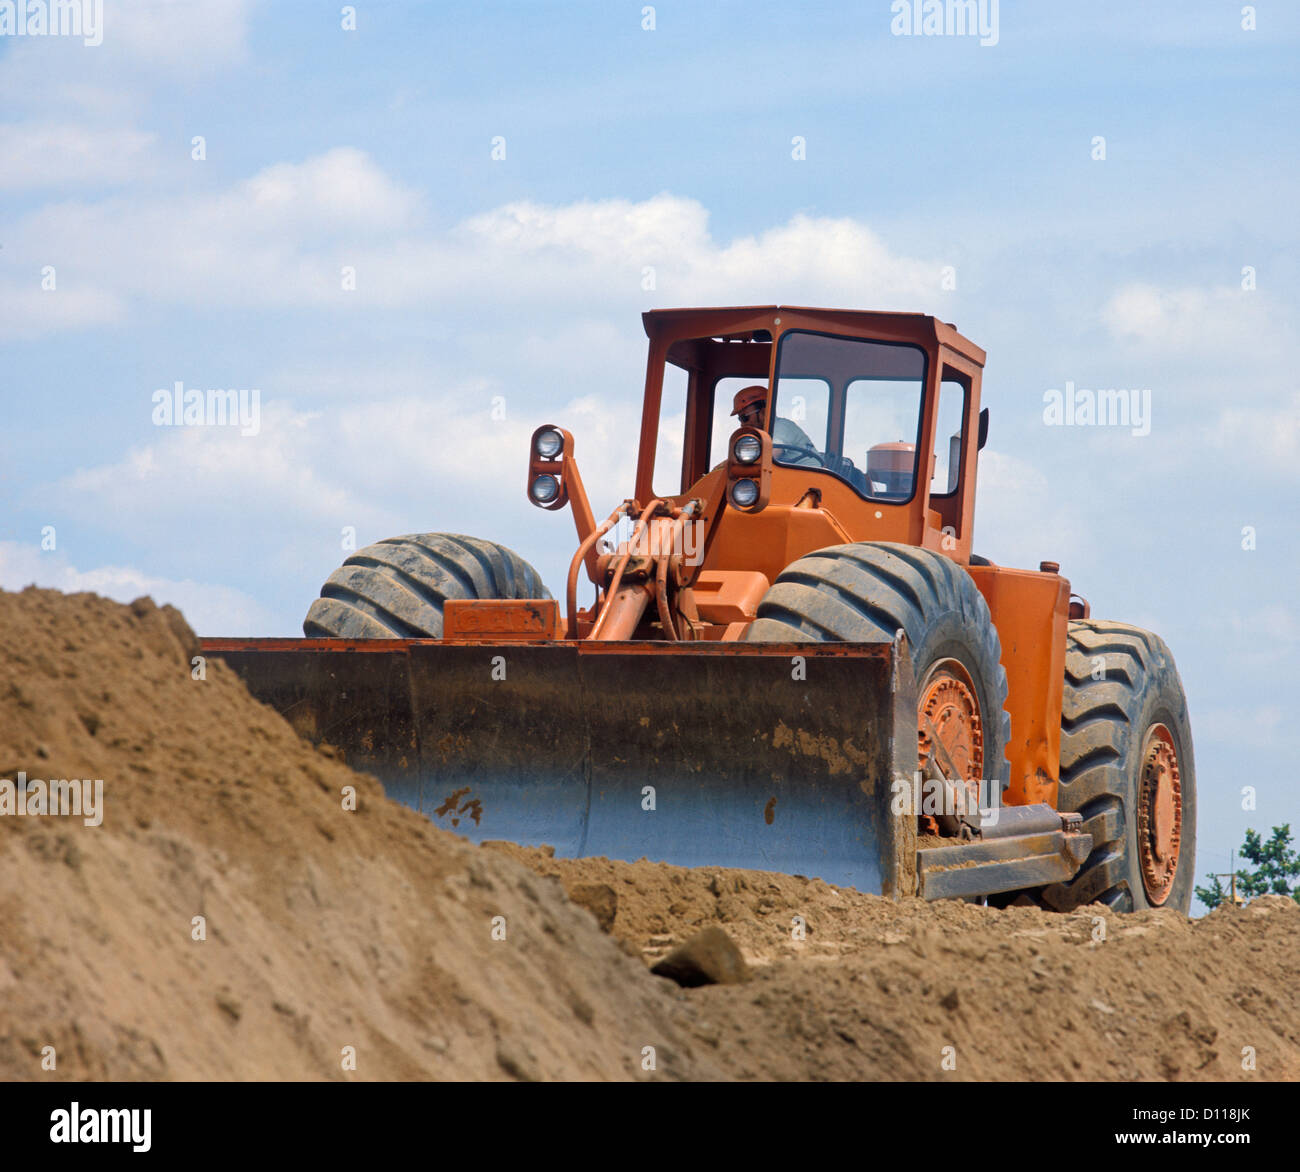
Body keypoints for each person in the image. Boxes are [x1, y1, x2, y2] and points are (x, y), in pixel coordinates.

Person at [730, 385, 822, 466]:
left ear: (763, 411)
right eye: (740, 419)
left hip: (811, 480)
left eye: (744, 418)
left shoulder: (782, 427)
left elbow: (771, 455)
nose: (742, 424)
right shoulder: (761, 436)